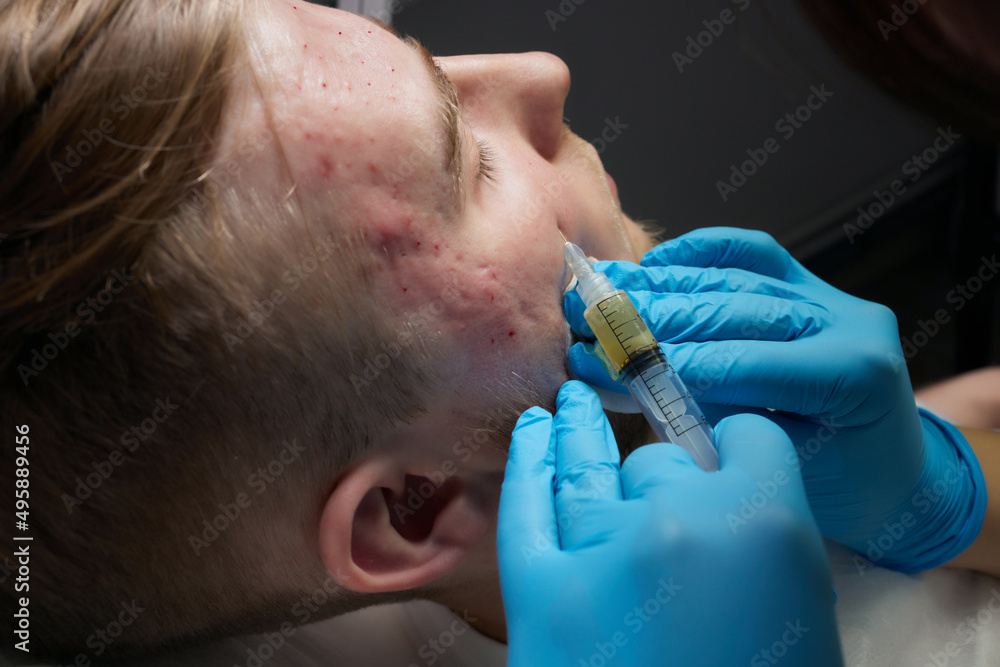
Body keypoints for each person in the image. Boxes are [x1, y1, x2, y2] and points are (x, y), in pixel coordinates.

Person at [0, 0, 992, 664]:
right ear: (417, 505)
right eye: (464, 161)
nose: (540, 70)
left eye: (425, 59)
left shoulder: (779, 463)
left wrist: (947, 496)